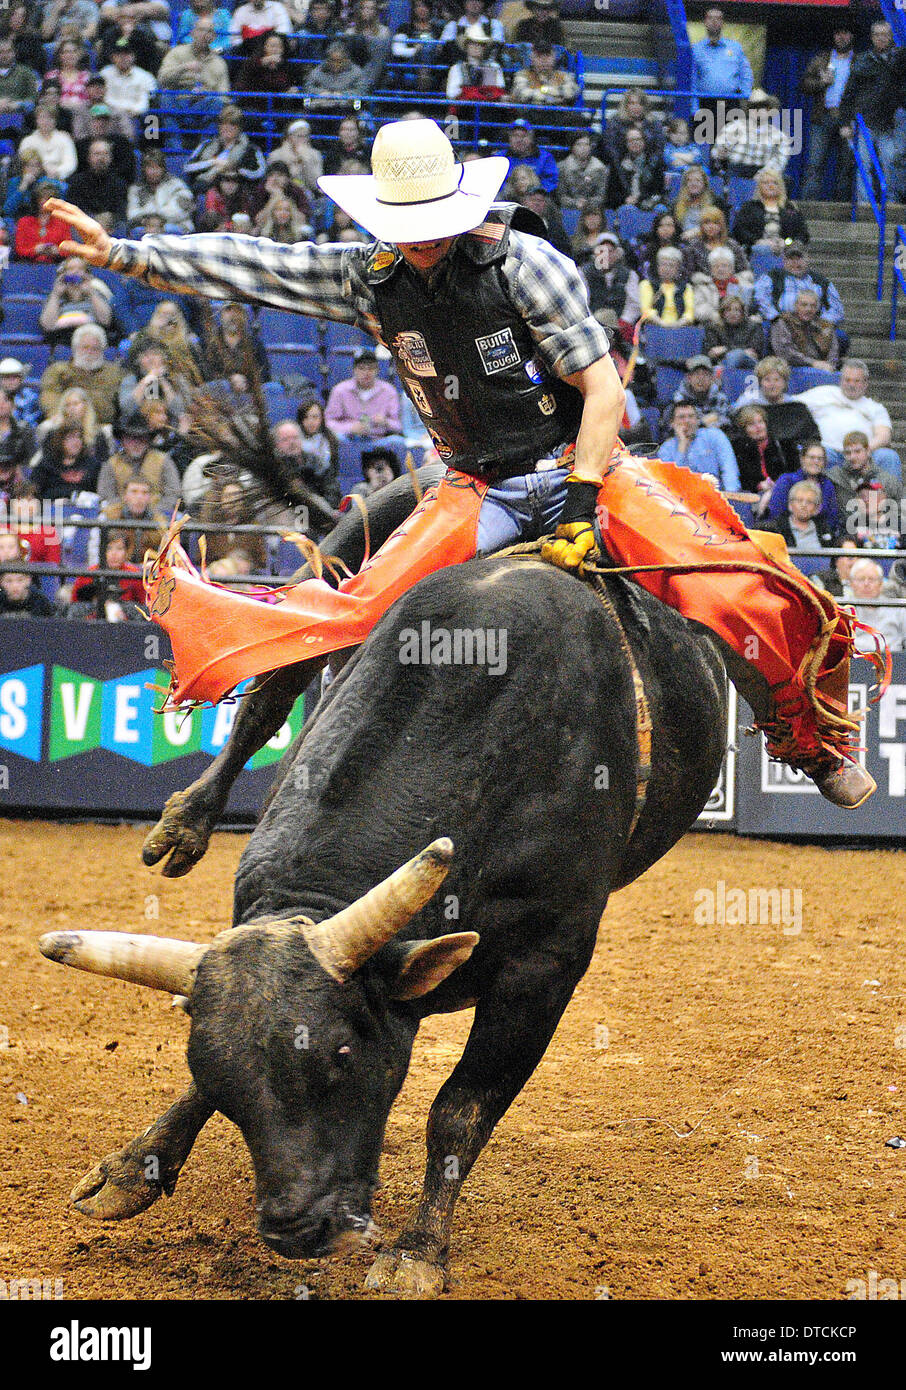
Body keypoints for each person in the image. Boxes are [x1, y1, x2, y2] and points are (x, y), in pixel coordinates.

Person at [45, 116, 882, 805]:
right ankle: (218, 653)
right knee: (350, 610)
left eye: (425, 225)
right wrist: (124, 253)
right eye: (399, 228)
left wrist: (585, 501)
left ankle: (806, 742)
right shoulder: (368, 278)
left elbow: (602, 387)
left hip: (578, 465)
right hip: (473, 483)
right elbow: (257, 264)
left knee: (733, 586)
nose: (415, 243)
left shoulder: (524, 263)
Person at [794, 360, 901, 478]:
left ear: (865, 383)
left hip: (865, 455)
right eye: (847, 380)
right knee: (817, 454)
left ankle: (890, 496)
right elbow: (790, 403)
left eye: (856, 381)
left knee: (889, 456)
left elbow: (884, 436)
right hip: (829, 452)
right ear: (841, 381)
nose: (851, 384)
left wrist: (861, 451)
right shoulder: (824, 393)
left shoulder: (875, 408)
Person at [839, 20, 906, 205]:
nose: (881, 38)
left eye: (885, 34)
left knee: (891, 163)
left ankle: (891, 203)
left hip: (889, 123)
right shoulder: (862, 60)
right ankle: (864, 205)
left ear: (891, 36)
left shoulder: (899, 58)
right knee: (863, 166)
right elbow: (848, 94)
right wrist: (845, 123)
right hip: (864, 122)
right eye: (877, 34)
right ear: (871, 37)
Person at [800, 25, 855, 201]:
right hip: (822, 117)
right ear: (833, 36)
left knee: (846, 168)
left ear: (851, 36)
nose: (841, 37)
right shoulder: (821, 59)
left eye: (845, 33)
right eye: (838, 33)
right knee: (814, 165)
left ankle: (842, 213)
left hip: (848, 120)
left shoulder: (859, 61)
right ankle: (807, 209)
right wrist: (821, 82)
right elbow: (804, 85)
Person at [753, 240, 844, 334]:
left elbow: (837, 309)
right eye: (791, 259)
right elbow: (759, 298)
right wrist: (776, 317)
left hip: (814, 326)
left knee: (841, 336)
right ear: (784, 261)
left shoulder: (821, 282)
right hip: (780, 324)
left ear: (807, 259)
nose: (795, 263)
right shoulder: (772, 277)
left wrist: (823, 322)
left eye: (799, 258)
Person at [40, 323, 122, 424]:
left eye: (95, 348)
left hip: (100, 424)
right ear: (75, 348)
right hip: (64, 422)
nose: (89, 352)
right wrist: (58, 416)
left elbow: (109, 406)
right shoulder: (57, 370)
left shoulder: (113, 373)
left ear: (102, 350)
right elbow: (50, 396)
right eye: (85, 347)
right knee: (46, 428)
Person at [96, 412, 181, 511]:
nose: (136, 443)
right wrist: (128, 511)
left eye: (141, 438)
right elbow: (105, 495)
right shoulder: (111, 463)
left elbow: (173, 493)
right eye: (131, 438)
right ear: (122, 440)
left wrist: (152, 512)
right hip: (119, 519)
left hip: (158, 519)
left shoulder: (163, 460)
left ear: (148, 439)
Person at [708, 90, 793, 180]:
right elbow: (716, 152)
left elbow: (780, 160)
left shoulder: (780, 137)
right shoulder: (733, 127)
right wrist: (721, 153)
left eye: (762, 107)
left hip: (764, 176)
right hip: (734, 173)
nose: (757, 111)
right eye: (753, 107)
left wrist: (764, 173)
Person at [657, 400, 740, 491]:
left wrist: (731, 494)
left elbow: (729, 468)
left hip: (714, 495)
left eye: (691, 416)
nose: (687, 421)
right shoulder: (665, 449)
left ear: (697, 420)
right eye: (681, 417)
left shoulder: (714, 436)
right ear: (672, 423)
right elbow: (672, 481)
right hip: (681, 499)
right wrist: (682, 444)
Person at [184, 104, 267, 192]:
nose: (227, 127)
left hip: (238, 193)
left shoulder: (251, 149)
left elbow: (260, 173)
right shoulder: (206, 145)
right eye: (223, 123)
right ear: (219, 126)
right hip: (207, 189)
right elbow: (188, 167)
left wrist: (235, 169)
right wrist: (213, 162)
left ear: (239, 128)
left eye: (232, 124)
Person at [325, 346, 402, 440]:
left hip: (380, 440)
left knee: (396, 441)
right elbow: (328, 422)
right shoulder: (340, 390)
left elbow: (399, 425)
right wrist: (350, 428)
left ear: (377, 370)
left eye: (371, 368)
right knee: (339, 438)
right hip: (349, 439)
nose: (366, 373)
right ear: (354, 370)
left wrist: (385, 422)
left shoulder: (389, 391)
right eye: (361, 368)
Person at [39, 255, 114, 347]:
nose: (75, 272)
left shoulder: (96, 293)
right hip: (62, 339)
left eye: (80, 269)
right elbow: (48, 325)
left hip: (91, 338)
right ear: (63, 274)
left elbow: (105, 321)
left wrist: (91, 292)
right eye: (70, 269)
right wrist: (56, 294)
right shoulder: (55, 296)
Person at [731, 166, 808, 255]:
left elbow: (802, 234)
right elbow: (739, 231)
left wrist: (787, 242)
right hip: (756, 251)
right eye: (766, 183)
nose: (770, 186)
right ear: (759, 186)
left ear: (781, 186)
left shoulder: (790, 208)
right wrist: (757, 241)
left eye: (775, 183)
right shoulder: (749, 207)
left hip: (786, 251)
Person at [768, 438, 839, 533]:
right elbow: (776, 513)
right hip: (788, 534)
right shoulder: (787, 480)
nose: (816, 461)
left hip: (819, 535)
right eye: (811, 457)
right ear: (802, 459)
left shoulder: (827, 485)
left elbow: (832, 517)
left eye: (820, 459)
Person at [826, 430, 901, 520]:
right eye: (848, 453)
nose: (852, 457)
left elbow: (901, 507)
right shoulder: (837, 475)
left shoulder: (886, 480)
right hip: (849, 529)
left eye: (857, 451)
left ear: (868, 451)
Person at [769, 289, 840, 373]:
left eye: (813, 306)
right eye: (804, 305)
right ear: (796, 306)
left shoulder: (825, 326)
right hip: (792, 369)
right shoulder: (783, 322)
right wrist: (813, 363)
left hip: (822, 369)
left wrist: (830, 365)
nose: (808, 309)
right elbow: (785, 353)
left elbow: (834, 352)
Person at [127, 150, 195, 233]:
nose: (154, 172)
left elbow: (181, 210)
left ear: (163, 169)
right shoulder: (136, 189)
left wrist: (157, 218)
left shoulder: (176, 184)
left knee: (167, 229)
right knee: (138, 231)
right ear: (144, 169)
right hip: (145, 225)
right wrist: (149, 220)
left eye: (157, 167)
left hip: (176, 225)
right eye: (150, 167)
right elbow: (131, 214)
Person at [848, 559, 906, 654]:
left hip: (893, 662)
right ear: (851, 584)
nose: (866, 584)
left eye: (871, 579)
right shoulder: (844, 611)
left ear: (881, 584)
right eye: (861, 579)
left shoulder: (898, 608)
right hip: (854, 661)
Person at [17, 100, 77, 181]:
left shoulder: (65, 138)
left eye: (50, 118)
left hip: (59, 179)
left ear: (55, 120)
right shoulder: (27, 141)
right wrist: (43, 171)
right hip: (34, 179)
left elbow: (71, 163)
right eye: (42, 117)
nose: (45, 121)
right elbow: (24, 164)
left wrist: (57, 172)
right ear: (37, 120)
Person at [667, 354, 731, 431]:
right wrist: (705, 421)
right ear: (689, 378)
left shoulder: (720, 398)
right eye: (696, 374)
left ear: (712, 378)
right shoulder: (679, 399)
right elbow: (674, 427)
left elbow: (727, 421)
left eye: (705, 374)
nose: (701, 378)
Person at [446, 26, 505, 102]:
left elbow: (500, 90)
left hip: (489, 108)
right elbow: (451, 94)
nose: (476, 47)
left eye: (480, 44)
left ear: (484, 48)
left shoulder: (494, 67)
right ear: (466, 46)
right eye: (472, 43)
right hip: (464, 108)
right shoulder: (457, 68)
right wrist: (469, 92)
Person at [639, 246, 695, 327]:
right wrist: (663, 324)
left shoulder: (686, 287)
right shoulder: (647, 284)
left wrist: (678, 324)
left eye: (671, 265)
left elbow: (690, 313)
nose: (667, 269)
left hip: (680, 328)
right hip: (654, 327)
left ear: (678, 268)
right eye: (663, 264)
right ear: (658, 266)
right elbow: (646, 310)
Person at [510, 40, 577, 107]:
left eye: (548, 55)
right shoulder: (522, 75)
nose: (544, 59)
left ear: (554, 57)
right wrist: (555, 97)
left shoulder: (565, 76)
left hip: (560, 115)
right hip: (530, 114)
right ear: (532, 58)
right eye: (539, 56)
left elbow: (570, 92)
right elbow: (523, 95)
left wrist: (543, 90)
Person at [702, 294, 762, 369]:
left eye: (737, 310)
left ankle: (726, 376)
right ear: (722, 313)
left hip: (748, 364)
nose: (732, 313)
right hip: (720, 363)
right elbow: (710, 352)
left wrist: (724, 349)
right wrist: (743, 350)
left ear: (742, 313)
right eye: (728, 310)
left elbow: (754, 351)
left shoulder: (753, 326)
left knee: (737, 355)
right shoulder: (713, 327)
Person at [557, 131, 609, 210]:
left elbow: (601, 196)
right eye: (579, 144)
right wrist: (574, 203)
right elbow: (561, 196)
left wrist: (588, 203)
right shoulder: (561, 168)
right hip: (568, 210)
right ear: (572, 147)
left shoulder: (601, 168)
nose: (583, 148)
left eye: (586, 144)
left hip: (593, 209)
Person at [0, 357, 41, 429]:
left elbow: (31, 421)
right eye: (6, 377)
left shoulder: (31, 397)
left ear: (21, 379)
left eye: (15, 377)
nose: (10, 381)